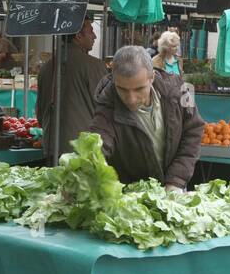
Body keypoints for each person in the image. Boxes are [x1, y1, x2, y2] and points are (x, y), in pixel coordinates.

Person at [88, 46, 205, 192]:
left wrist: (177, 180)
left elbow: (194, 130)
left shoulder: (182, 89)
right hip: (133, 194)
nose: (131, 99)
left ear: (152, 77)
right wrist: (82, 173)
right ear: (114, 80)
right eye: (122, 89)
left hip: (175, 187)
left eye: (139, 89)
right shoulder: (107, 105)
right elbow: (98, 142)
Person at [37, 20, 110, 161]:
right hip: (83, 148)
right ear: (78, 35)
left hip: (52, 146)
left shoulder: (46, 68)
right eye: (91, 31)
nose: (94, 36)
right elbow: (107, 110)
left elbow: (40, 114)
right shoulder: (95, 66)